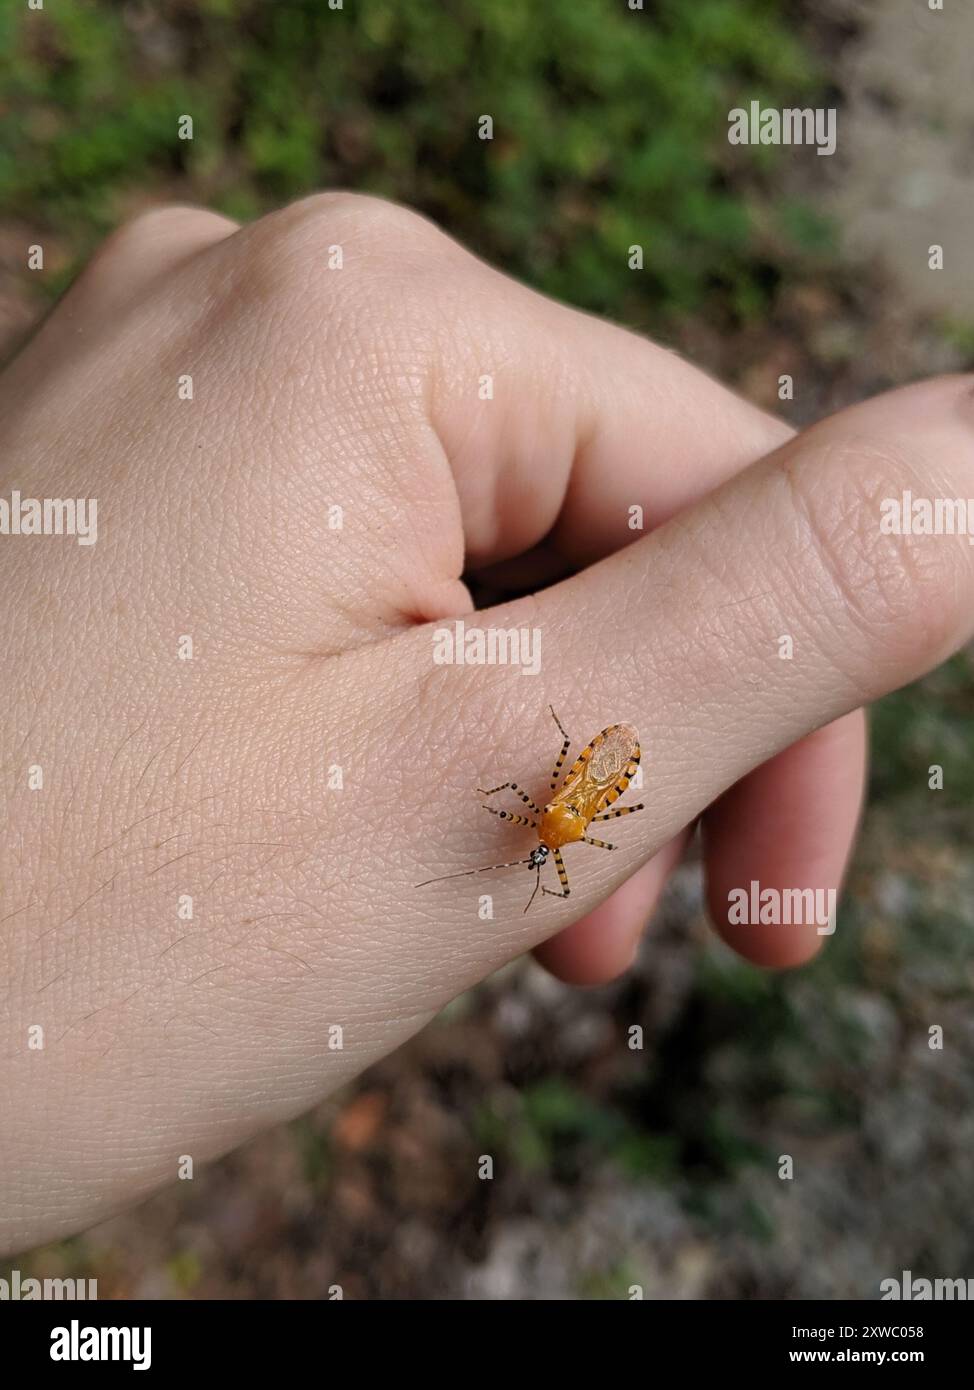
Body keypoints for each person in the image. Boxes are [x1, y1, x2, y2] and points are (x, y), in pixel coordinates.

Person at [2, 193, 972, 1254]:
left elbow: (569, 798)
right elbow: (563, 797)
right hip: (596, 774)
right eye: (544, 835)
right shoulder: (560, 820)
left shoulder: (562, 822)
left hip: (597, 773)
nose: (541, 839)